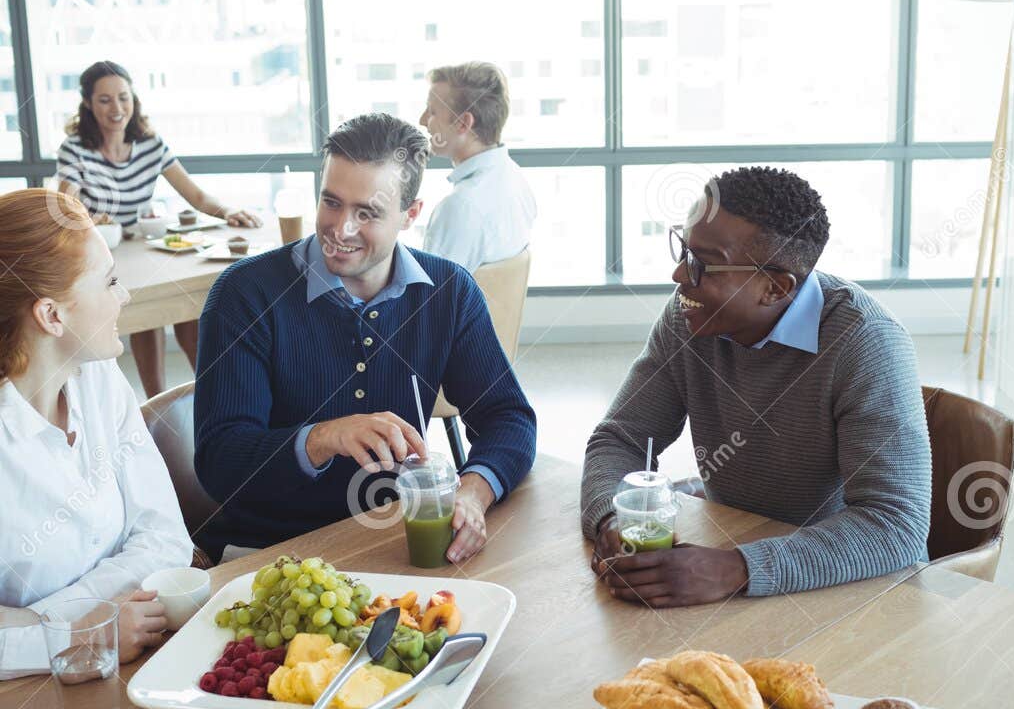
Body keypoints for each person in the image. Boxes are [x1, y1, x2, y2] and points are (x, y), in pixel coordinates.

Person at [194, 112, 536, 560]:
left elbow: (509, 417)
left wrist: (472, 492)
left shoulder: (449, 291)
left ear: (410, 215)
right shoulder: (243, 294)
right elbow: (220, 462)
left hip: (398, 539)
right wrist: (322, 438)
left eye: (367, 212)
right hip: (272, 551)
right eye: (331, 202)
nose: (341, 229)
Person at [583, 166, 931, 606]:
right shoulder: (688, 316)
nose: (678, 276)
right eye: (682, 250)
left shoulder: (867, 342)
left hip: (856, 588)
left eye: (703, 264)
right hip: (742, 549)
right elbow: (619, 438)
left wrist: (738, 568)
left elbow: (894, 525)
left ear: (775, 287)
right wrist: (612, 518)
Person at [0, 190, 194, 679]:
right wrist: (76, 639)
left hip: (134, 652)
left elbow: (167, 538)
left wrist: (35, 624)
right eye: (109, 281)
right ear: (51, 315)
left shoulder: (99, 377)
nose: (124, 296)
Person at [56, 60, 262, 398]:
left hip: (141, 247)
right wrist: (90, 217)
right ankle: (155, 403)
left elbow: (194, 194)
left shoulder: (150, 144)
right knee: (146, 318)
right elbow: (67, 203)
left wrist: (230, 210)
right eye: (105, 99)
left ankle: (213, 397)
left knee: (185, 310)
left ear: (133, 99)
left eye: (123, 97)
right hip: (101, 252)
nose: (117, 108)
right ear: (89, 104)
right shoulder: (75, 148)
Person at [418, 61, 536, 271]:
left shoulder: (460, 207)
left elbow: (427, 300)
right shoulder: (515, 178)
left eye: (432, 111)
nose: (423, 120)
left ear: (463, 123)